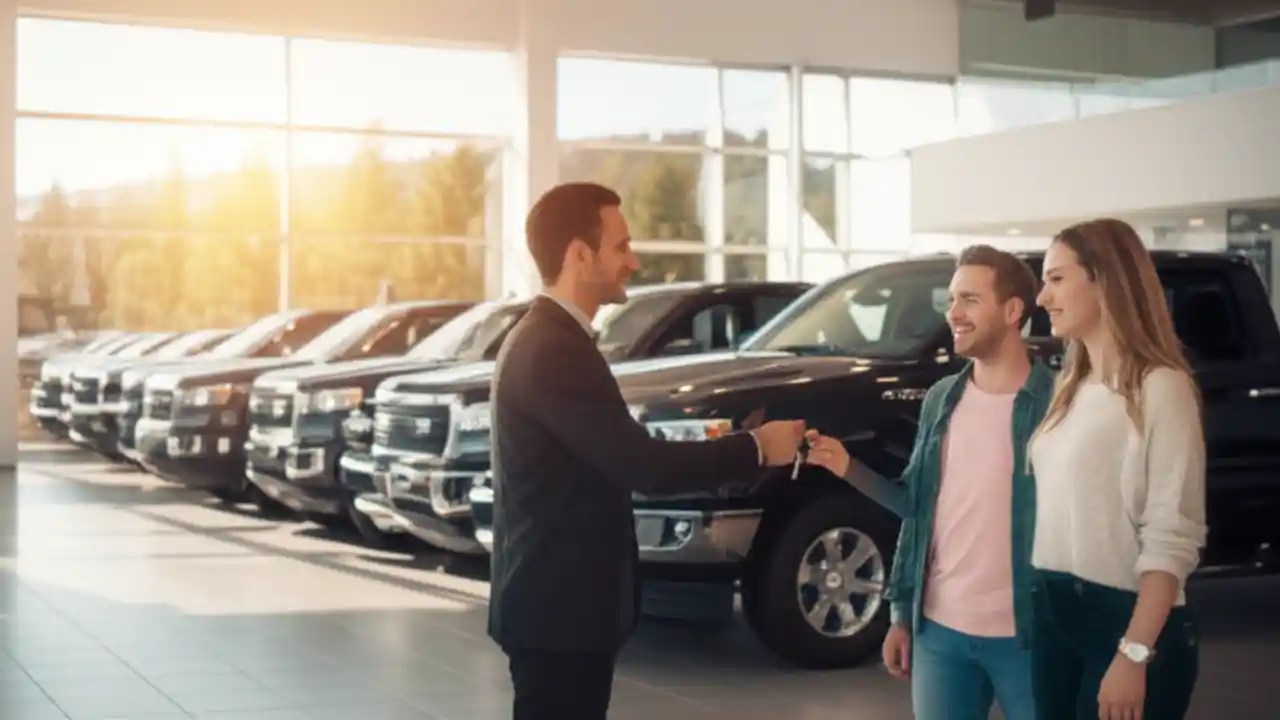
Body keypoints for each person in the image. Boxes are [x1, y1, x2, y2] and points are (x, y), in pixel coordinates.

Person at [488, 182, 806, 720]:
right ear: (578, 254)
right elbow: (643, 467)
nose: (632, 261)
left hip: (554, 610)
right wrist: (755, 448)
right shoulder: (555, 349)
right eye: (621, 246)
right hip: (560, 615)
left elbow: (607, 450)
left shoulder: (551, 339)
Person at [804, 245, 1053, 720]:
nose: (953, 313)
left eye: (969, 300)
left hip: (1029, 636)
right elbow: (916, 508)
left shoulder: (1055, 404)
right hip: (939, 633)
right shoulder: (942, 399)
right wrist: (901, 614)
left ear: (1013, 310)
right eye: (952, 299)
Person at [1028, 218, 1207, 720]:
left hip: (1125, 620)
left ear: (1106, 279)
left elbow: (1173, 535)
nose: (1042, 297)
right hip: (1053, 608)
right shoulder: (1071, 387)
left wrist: (1134, 652)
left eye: (1057, 278)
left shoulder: (1162, 388)